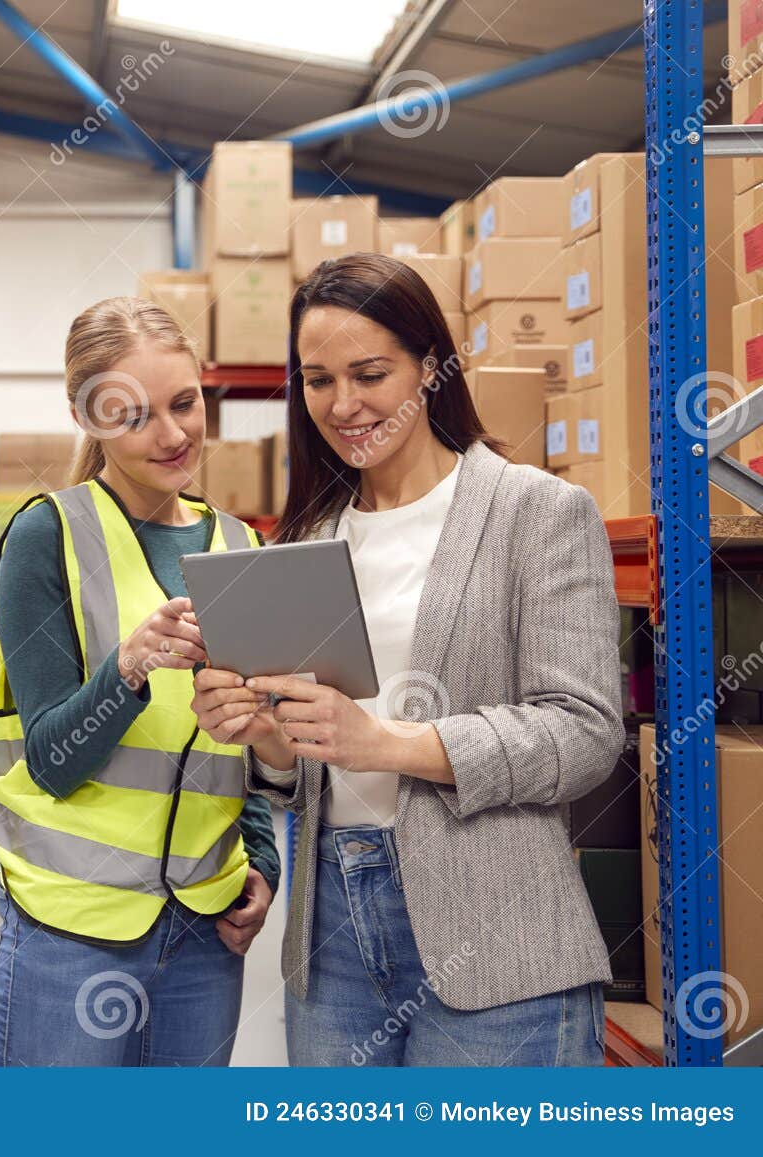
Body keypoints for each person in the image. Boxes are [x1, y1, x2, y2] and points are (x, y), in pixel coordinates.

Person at [190, 253, 623, 1066]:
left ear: (430, 366)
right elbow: (298, 768)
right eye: (318, 380)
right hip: (332, 939)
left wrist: (388, 743)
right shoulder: (309, 541)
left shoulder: (537, 512)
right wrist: (263, 736)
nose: (343, 405)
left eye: (371, 373)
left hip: (496, 938)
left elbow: (586, 732)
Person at [0, 297, 283, 1066]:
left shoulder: (240, 542)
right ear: (89, 417)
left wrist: (262, 863)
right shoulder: (46, 536)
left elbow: (242, 747)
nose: (174, 433)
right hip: (71, 932)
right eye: (139, 415)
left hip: (205, 934)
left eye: (186, 403)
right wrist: (128, 668)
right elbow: (51, 756)